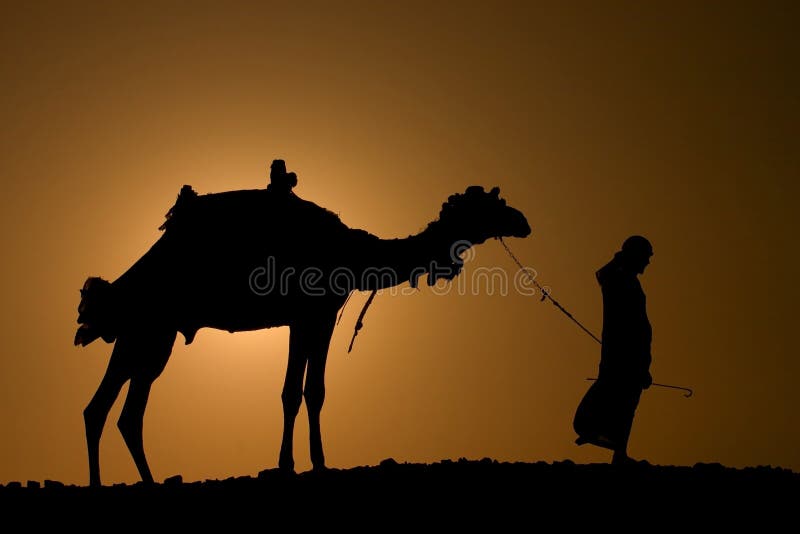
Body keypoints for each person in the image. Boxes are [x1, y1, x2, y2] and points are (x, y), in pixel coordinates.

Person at [573, 235, 654, 465]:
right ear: (634, 256)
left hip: (633, 355)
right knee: (618, 400)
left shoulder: (629, 281)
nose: (648, 262)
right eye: (645, 257)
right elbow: (602, 274)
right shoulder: (617, 280)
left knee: (626, 404)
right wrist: (619, 258)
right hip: (622, 355)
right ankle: (600, 438)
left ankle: (617, 450)